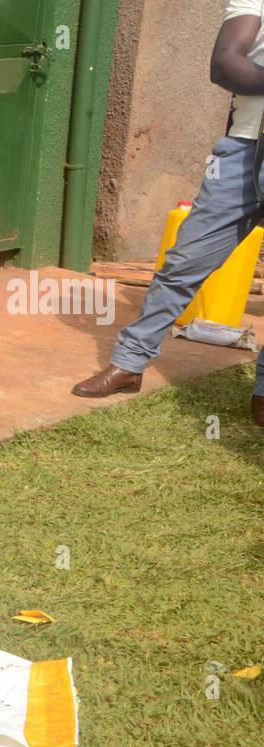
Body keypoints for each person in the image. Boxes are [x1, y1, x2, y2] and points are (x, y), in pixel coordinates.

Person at [73, 0, 264, 427]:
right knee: (184, 262)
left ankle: (263, 394)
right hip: (243, 150)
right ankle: (129, 364)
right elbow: (225, 63)